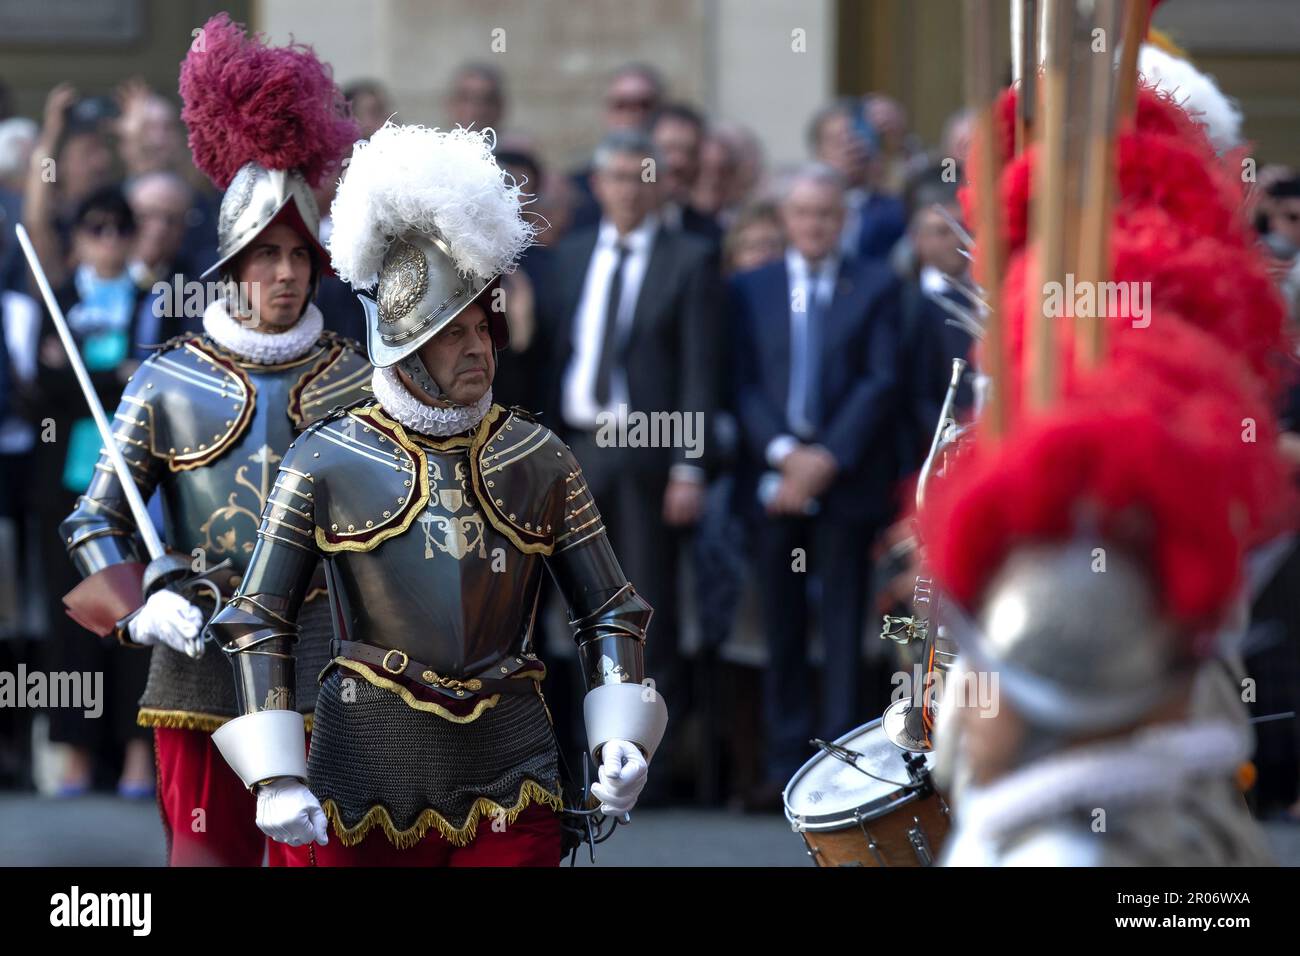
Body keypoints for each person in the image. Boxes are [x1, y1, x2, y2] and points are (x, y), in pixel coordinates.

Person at [203, 122, 668, 866]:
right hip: (363, 759)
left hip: (512, 757)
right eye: (453, 333)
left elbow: (608, 609)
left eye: (486, 325)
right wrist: (277, 771)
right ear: (404, 345)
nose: (480, 347)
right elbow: (261, 617)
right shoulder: (325, 457)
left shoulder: (538, 454)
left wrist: (621, 729)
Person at [57, 13, 369, 866]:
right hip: (201, 659)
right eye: (265, 255)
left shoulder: (357, 380)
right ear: (232, 265)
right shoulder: (167, 379)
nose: (284, 274)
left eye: (299, 255)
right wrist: (137, 606)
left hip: (329, 664)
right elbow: (94, 519)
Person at [544, 128, 722, 797]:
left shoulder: (691, 259)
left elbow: (703, 374)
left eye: (640, 177)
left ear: (660, 184)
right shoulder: (572, 255)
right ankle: (574, 758)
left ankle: (654, 764)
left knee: (645, 609)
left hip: (650, 450)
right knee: (570, 610)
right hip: (576, 450)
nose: (627, 188)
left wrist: (690, 466)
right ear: (598, 185)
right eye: (616, 177)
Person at [730, 162, 901, 809]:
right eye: (803, 214)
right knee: (781, 624)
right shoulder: (752, 287)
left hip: (846, 477)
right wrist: (784, 456)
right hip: (775, 483)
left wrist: (824, 457)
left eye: (826, 214)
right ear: (786, 220)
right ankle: (784, 763)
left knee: (842, 621)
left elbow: (879, 380)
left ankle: (841, 768)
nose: (814, 225)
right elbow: (741, 381)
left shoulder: (878, 285)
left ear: (843, 220)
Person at [28, 186, 154, 798]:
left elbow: (150, 383)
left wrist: (86, 377)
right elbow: (42, 390)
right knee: (72, 621)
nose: (107, 241)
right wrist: (110, 376)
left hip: (133, 493)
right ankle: (74, 754)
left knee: (134, 618)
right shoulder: (61, 300)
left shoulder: (150, 300)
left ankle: (136, 756)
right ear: (77, 236)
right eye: (94, 228)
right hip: (67, 493)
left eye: (118, 229)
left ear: (132, 237)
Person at [808, 99, 905, 264]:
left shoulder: (895, 209)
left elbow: (944, 177)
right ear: (818, 151)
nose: (849, 148)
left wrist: (900, 145)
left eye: (856, 139)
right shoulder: (801, 209)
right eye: (837, 141)